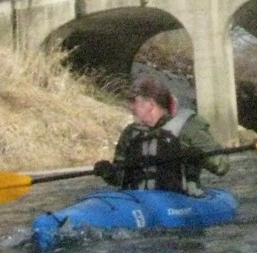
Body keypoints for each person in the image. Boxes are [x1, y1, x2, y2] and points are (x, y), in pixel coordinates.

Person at [94, 76, 229, 195]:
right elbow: (120, 178)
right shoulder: (130, 134)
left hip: (180, 201)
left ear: (150, 104)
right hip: (139, 201)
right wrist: (109, 172)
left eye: (134, 102)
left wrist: (198, 156)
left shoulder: (188, 128)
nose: (131, 108)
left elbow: (221, 166)